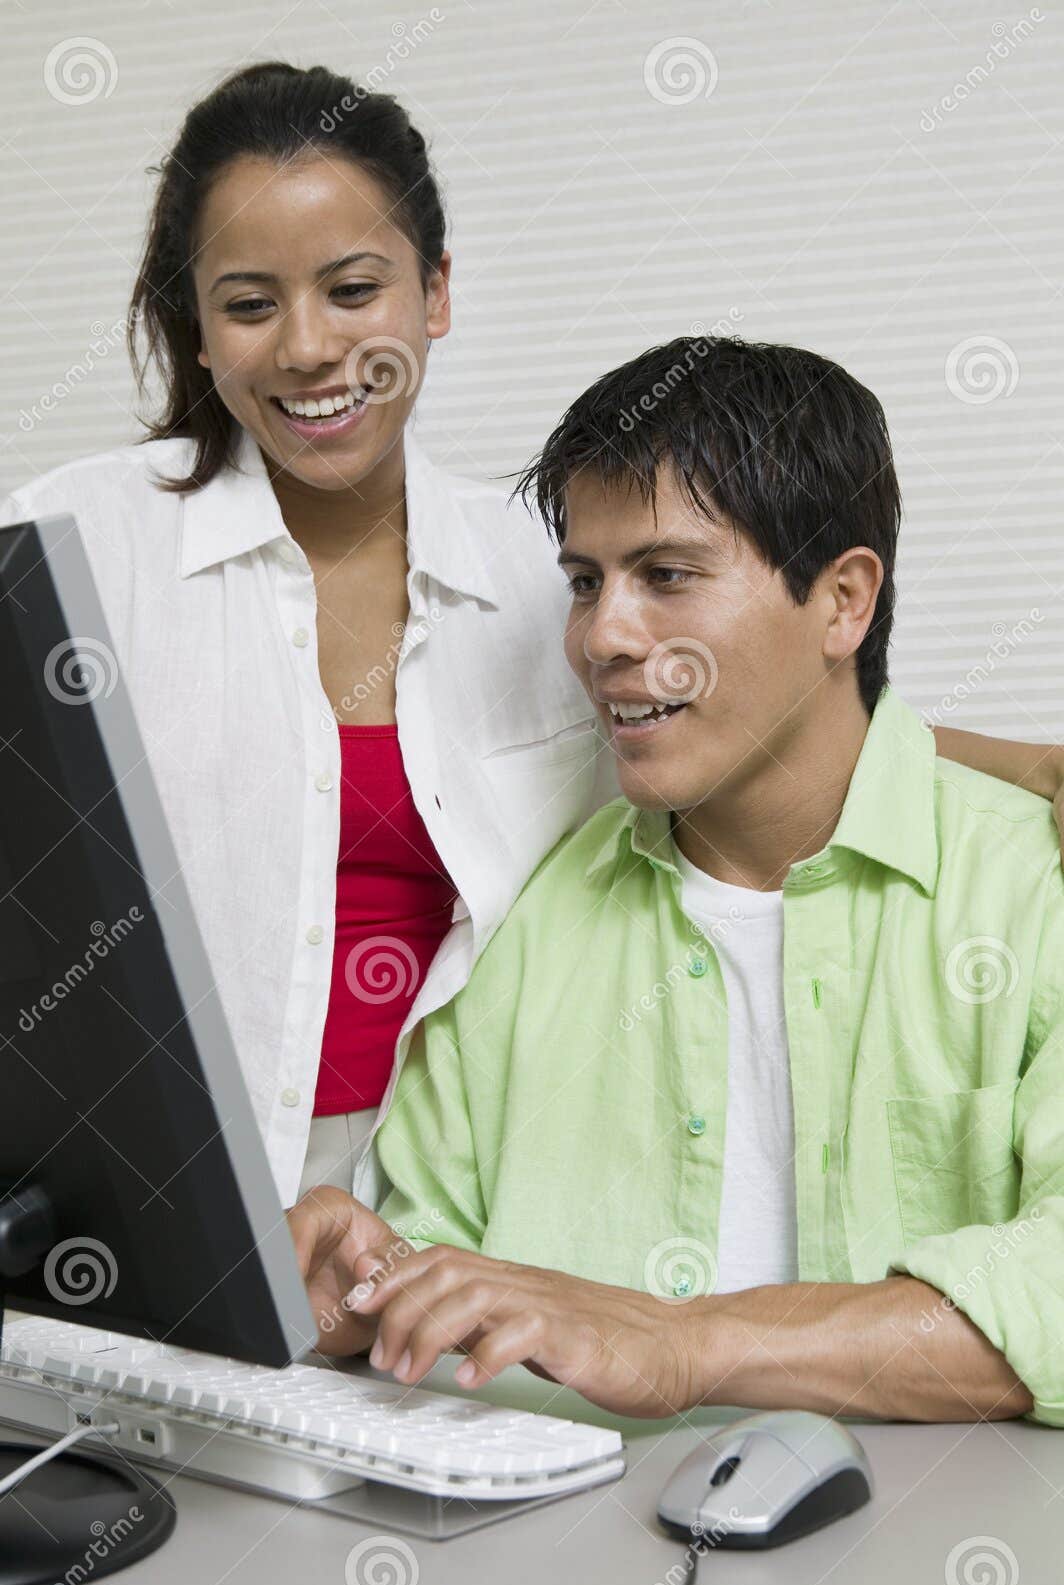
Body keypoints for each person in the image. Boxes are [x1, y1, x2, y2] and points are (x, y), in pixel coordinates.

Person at [288, 336, 1064, 1431]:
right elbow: (449, 1270)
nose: (601, 636)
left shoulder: (1032, 887)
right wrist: (374, 1287)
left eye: (665, 575)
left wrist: (683, 1340)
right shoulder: (530, 914)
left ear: (841, 601)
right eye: (583, 582)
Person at [0, 60, 615, 1209]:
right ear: (196, 328)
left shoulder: (544, 568)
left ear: (433, 293)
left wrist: (1031, 768)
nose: (306, 348)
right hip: (151, 1201)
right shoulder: (68, 542)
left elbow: (744, 721)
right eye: (247, 304)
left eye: (351, 289)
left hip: (449, 1208)